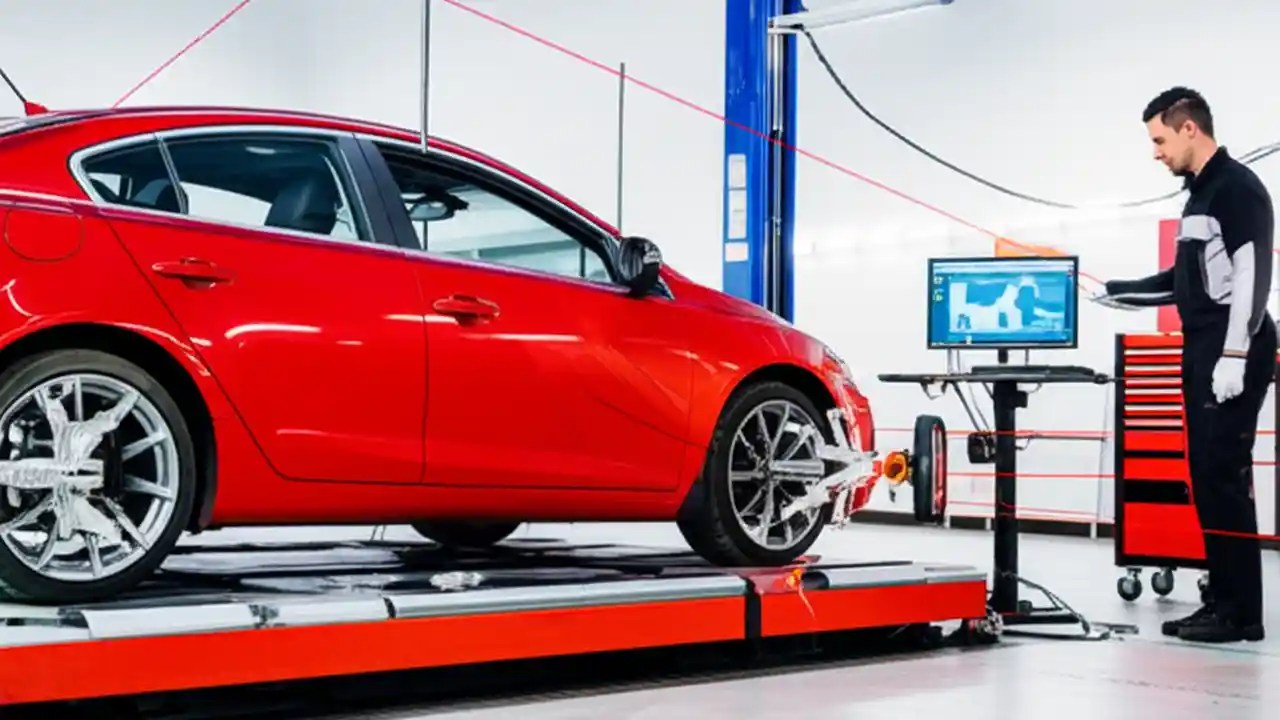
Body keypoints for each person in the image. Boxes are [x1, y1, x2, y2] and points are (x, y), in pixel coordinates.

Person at [1099, 86, 1273, 643]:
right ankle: (1221, 597)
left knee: (1224, 475)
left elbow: (1251, 278)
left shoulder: (1236, 189)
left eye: (1159, 139)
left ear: (1189, 129)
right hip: (1201, 344)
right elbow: (1185, 282)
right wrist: (1119, 292)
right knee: (1205, 476)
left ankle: (1242, 613)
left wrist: (1236, 355)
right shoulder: (1198, 195)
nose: (1155, 152)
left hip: (1232, 345)